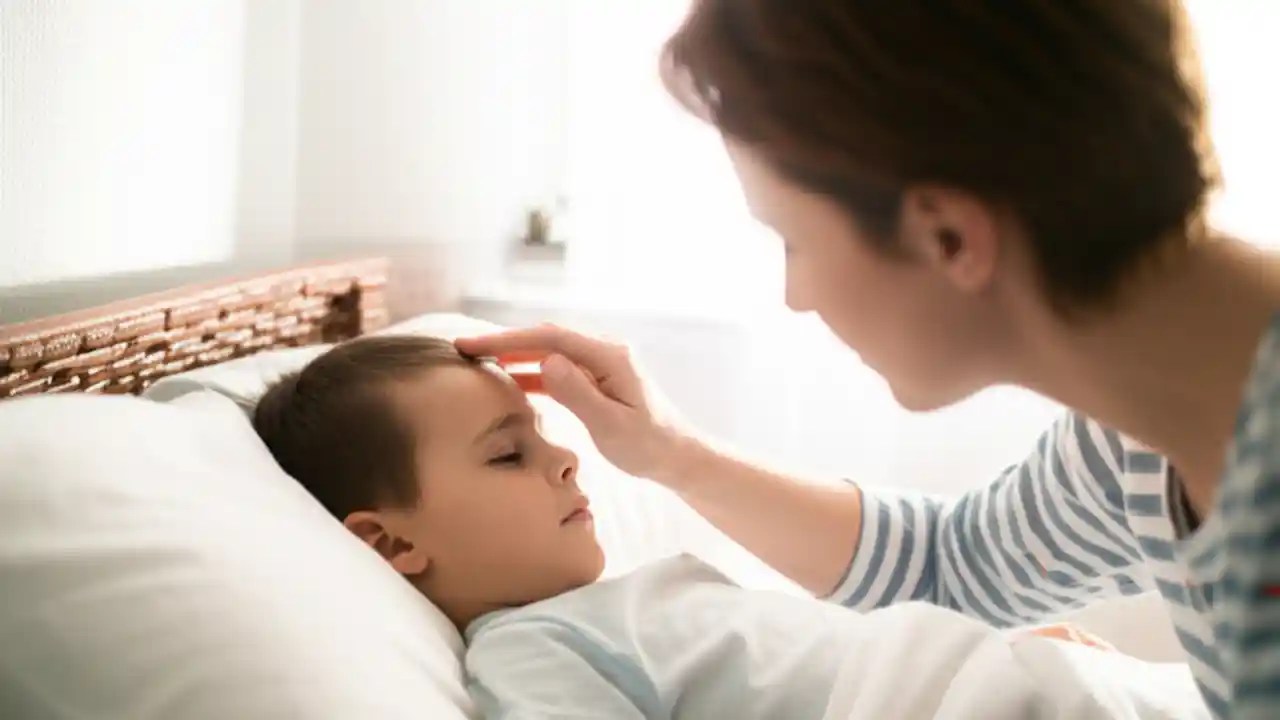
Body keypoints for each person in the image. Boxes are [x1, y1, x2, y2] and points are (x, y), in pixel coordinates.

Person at [453, 2, 1280, 718]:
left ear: (948, 236)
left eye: (794, 241)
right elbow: (956, 566)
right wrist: (673, 454)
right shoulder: (1135, 438)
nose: (795, 296)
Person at [251, 335, 1204, 719]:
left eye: (545, 437)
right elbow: (957, 566)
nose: (568, 458)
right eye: (508, 455)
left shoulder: (645, 589)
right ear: (388, 543)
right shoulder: (529, 651)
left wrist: (980, 658)